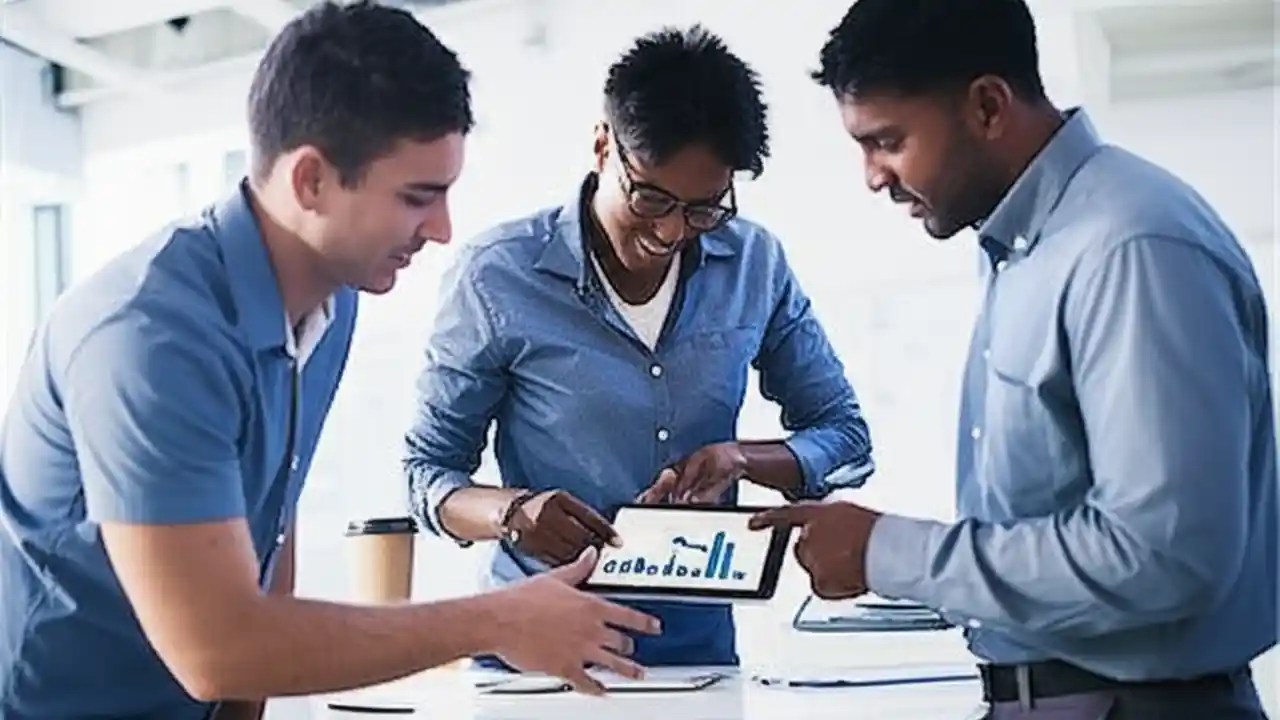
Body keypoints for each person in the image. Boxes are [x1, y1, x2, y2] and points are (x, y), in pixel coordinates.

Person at [0, 3, 661, 718]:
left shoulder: (333, 300)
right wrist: (496, 618)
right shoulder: (151, 335)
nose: (440, 231)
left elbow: (268, 536)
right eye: (417, 198)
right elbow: (216, 648)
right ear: (311, 180)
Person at [750, 0, 1277, 718]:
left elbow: (1163, 558)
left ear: (988, 106)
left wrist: (890, 553)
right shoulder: (1024, 250)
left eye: (888, 141)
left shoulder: (1130, 248)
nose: (873, 176)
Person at [404, 25, 874, 668]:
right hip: (535, 662)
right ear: (603, 146)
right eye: (651, 197)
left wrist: (741, 459)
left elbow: (844, 436)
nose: (672, 230)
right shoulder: (496, 275)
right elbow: (427, 477)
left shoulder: (754, 265)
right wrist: (515, 514)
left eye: (705, 208)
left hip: (700, 664)